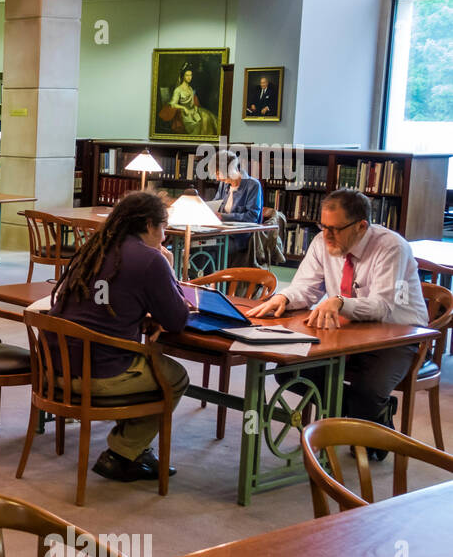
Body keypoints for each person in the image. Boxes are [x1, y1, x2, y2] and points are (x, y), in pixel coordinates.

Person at [246, 189, 426, 458]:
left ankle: (368, 417)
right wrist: (284, 297)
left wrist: (340, 301)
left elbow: (384, 305)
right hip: (349, 330)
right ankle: (371, 414)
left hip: (399, 334)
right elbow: (306, 289)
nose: (326, 235)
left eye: (335, 229)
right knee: (289, 371)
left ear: (361, 226)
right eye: (323, 226)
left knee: (368, 390)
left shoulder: (392, 247)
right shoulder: (322, 242)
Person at [49, 191, 192, 482]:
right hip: (99, 375)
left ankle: (132, 451)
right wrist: (168, 266)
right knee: (174, 377)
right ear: (150, 225)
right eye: (163, 228)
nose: (164, 237)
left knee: (144, 367)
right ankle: (124, 452)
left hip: (55, 368)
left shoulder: (94, 249)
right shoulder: (151, 259)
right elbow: (177, 319)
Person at [211, 150, 263, 267]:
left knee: (211, 248)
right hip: (221, 233)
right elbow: (216, 204)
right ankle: (202, 282)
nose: (218, 178)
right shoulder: (224, 185)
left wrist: (222, 216)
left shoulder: (253, 185)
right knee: (196, 246)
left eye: (219, 173)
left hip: (239, 237)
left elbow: (252, 217)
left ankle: (214, 282)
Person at [168, 65, 220, 137]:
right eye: (187, 75)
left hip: (194, 111)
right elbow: (172, 104)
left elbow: (192, 103)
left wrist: (195, 108)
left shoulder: (190, 88)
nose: (189, 77)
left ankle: (210, 139)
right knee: (202, 122)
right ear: (183, 76)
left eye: (191, 75)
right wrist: (184, 108)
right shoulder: (178, 90)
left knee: (209, 117)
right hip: (186, 115)